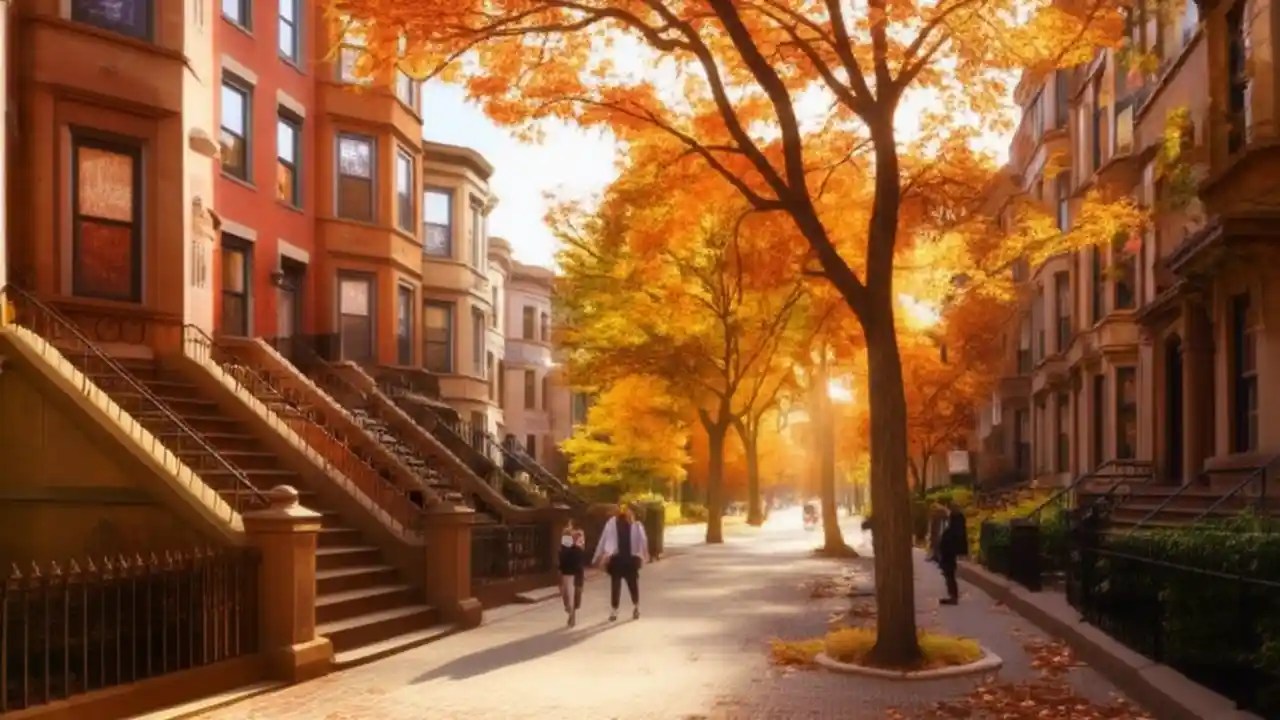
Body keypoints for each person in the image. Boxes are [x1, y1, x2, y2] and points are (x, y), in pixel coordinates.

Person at [592, 505, 649, 621]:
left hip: (631, 560)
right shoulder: (612, 523)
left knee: (632, 585)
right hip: (616, 560)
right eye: (626, 510)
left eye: (630, 511)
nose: (627, 512)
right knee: (615, 586)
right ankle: (614, 610)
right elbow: (604, 539)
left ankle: (636, 606)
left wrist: (644, 555)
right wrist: (598, 556)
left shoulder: (637, 525)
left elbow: (643, 541)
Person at [937, 499, 969, 605]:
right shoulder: (953, 519)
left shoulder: (956, 520)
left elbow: (955, 536)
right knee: (948, 573)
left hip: (950, 551)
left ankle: (953, 596)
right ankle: (952, 595)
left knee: (949, 572)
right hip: (948, 550)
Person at [558, 527, 587, 627]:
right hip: (567, 573)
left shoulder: (578, 544)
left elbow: (580, 556)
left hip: (576, 573)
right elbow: (562, 558)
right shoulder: (565, 546)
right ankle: (571, 612)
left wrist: (577, 544)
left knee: (574, 596)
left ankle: (572, 613)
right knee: (568, 597)